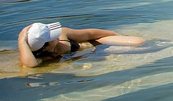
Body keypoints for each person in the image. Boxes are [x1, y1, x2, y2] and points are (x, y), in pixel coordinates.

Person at [18, 21, 146, 67]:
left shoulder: (62, 34)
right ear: (45, 46)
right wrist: (22, 41)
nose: (55, 35)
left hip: (96, 44)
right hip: (93, 54)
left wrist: (116, 35)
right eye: (52, 36)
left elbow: (89, 34)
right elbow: (31, 65)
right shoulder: (38, 56)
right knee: (140, 44)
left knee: (139, 42)